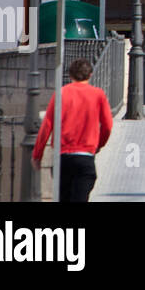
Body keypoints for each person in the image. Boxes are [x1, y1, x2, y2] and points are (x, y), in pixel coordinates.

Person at [31, 58, 113, 203]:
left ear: (70, 75)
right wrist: (98, 145)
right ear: (90, 75)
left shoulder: (61, 93)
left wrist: (37, 155)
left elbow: (47, 125)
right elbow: (107, 125)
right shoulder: (98, 94)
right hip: (85, 157)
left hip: (62, 158)